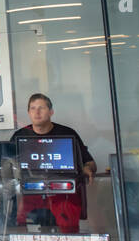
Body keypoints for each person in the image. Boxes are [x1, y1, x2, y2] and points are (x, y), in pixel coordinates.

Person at [10, 94, 96, 232]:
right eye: (33, 108)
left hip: (63, 195)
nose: (37, 112)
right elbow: (8, 167)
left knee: (68, 232)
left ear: (51, 112)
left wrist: (86, 169)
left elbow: (90, 162)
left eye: (41, 108)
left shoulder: (68, 133)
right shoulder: (19, 136)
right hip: (30, 193)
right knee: (16, 222)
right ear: (28, 112)